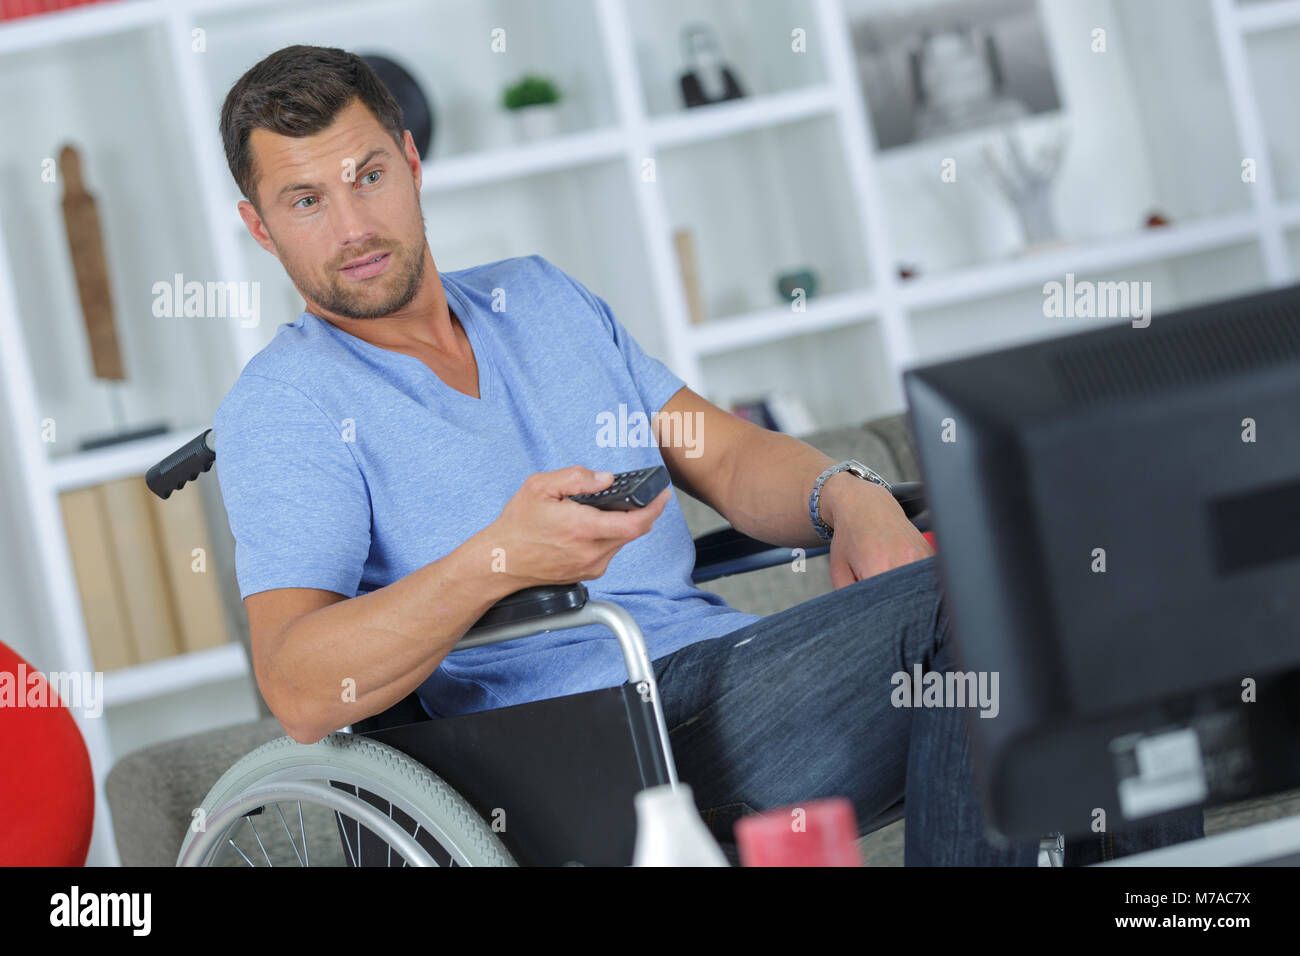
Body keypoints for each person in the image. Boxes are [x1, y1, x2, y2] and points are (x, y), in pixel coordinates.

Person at [214, 44, 1202, 865]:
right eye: (305, 201)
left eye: (367, 176)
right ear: (260, 227)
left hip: (718, 672)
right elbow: (302, 686)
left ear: (411, 163)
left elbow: (718, 456)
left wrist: (845, 494)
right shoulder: (288, 403)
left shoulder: (540, 299)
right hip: (579, 743)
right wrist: (499, 559)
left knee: (1090, 578)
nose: (352, 226)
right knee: (976, 604)